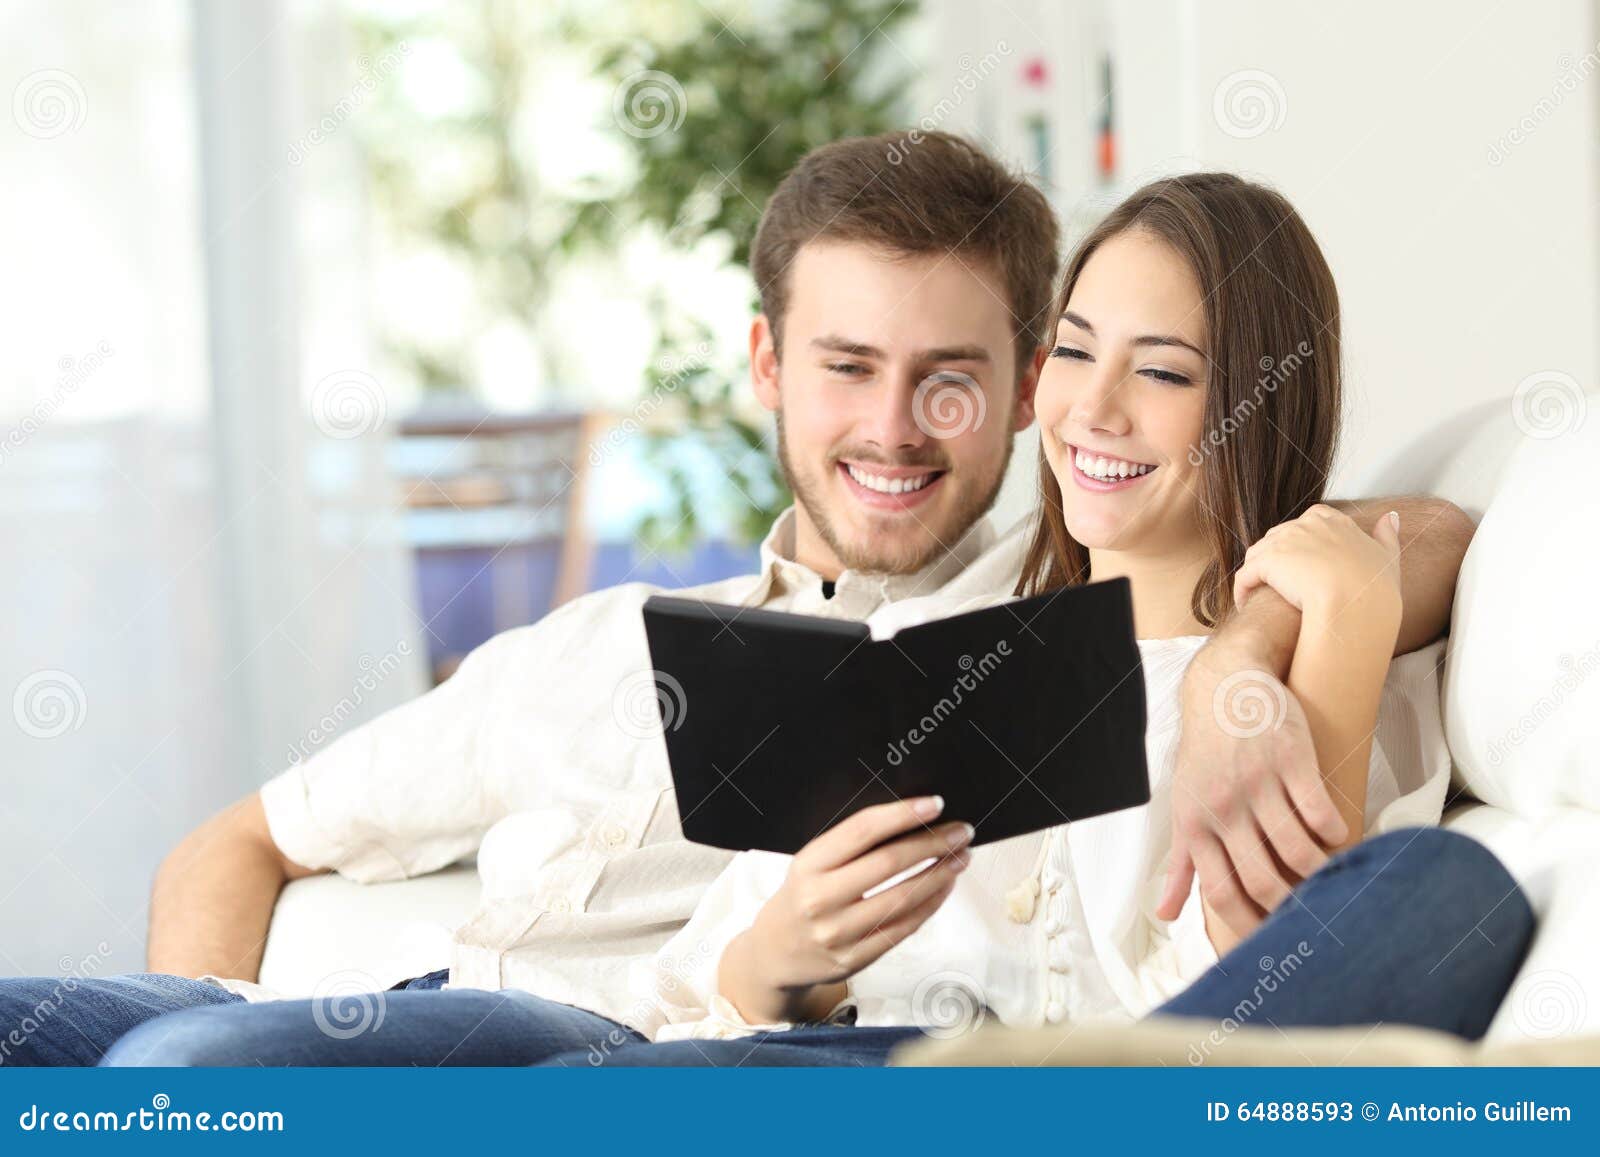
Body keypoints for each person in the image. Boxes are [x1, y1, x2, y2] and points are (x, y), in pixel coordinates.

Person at [1, 138, 1472, 1067]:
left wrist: (1273, 639)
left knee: (190, 1083)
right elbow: (250, 834)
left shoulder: (978, 665)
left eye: (950, 377)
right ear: (767, 366)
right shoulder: (608, 645)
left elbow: (1406, 545)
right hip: (432, 1010)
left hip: (633, 1050)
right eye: (847, 366)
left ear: (1005, 393)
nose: (896, 429)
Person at [530, 171, 1532, 1068]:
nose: (1093, 408)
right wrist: (787, 952)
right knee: (447, 1042)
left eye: (1165, 371)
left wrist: (1322, 633)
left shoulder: (1331, 656)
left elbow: (1275, 999)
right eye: (1074, 351)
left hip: (1017, 1077)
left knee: (1447, 888)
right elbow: (690, 1001)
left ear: (1258, 405)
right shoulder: (943, 651)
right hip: (793, 1054)